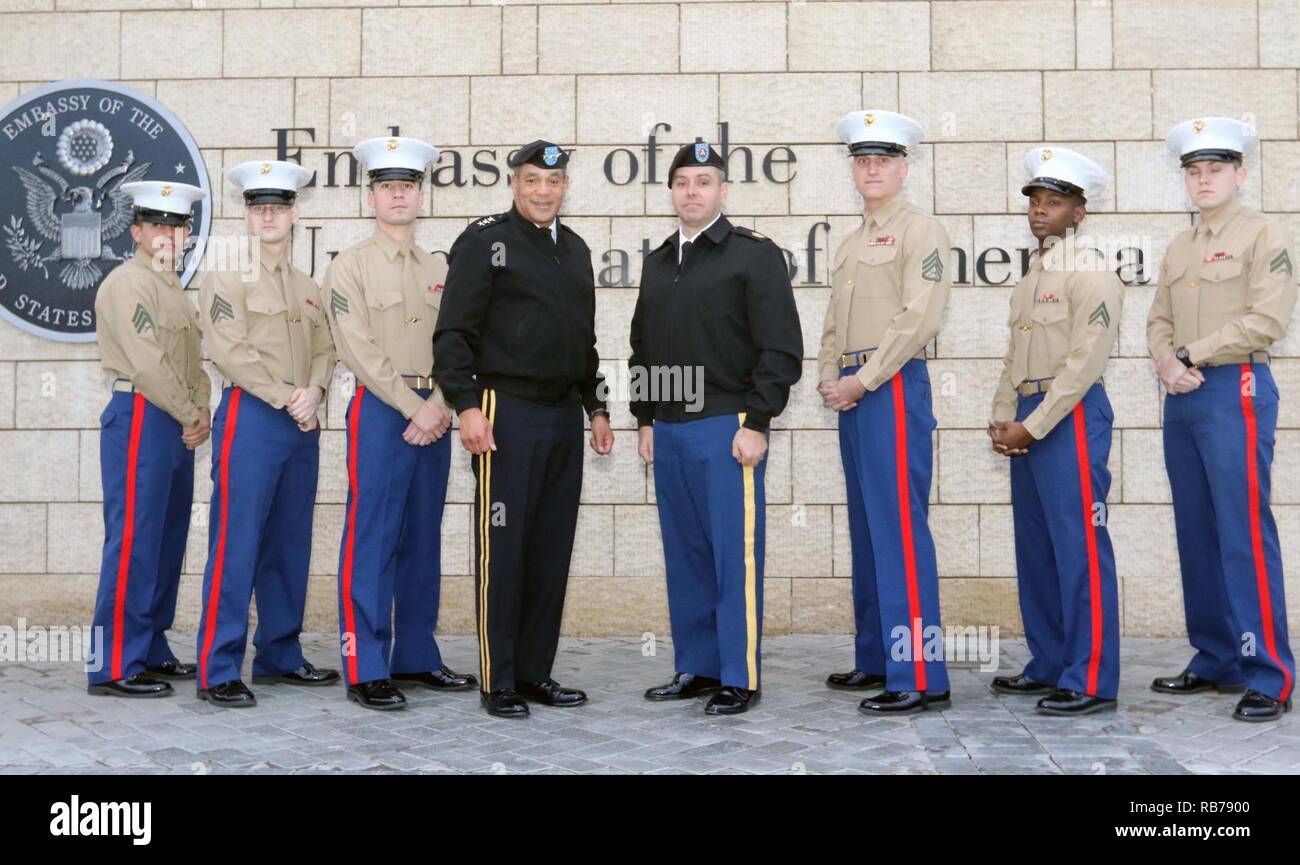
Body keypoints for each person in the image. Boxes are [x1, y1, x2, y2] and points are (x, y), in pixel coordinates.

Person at [434, 140, 614, 719]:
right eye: (532, 179)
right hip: (503, 410)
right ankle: (499, 678)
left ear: (565, 187)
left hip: (563, 415)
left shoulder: (577, 250)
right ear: (514, 183)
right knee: (503, 548)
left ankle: (537, 672)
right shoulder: (486, 241)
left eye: (553, 181)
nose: (543, 190)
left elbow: (583, 342)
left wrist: (597, 408)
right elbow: (453, 334)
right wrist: (465, 405)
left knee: (549, 548)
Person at [633, 140, 803, 716]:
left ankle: (740, 674)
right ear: (671, 191)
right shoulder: (659, 261)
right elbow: (642, 347)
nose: (691, 191)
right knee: (685, 555)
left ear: (723, 190)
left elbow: (781, 349)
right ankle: (697, 666)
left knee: (734, 556)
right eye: (682, 182)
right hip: (672, 428)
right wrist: (646, 417)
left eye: (703, 181)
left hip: (728, 428)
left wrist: (758, 421)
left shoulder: (754, 255)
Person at [1147, 117, 1296, 722]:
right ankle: (1215, 655)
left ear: (1240, 173)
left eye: (1215, 169)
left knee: (1242, 530)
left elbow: (1269, 319)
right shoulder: (1180, 246)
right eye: (1193, 170)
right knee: (1197, 529)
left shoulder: (1263, 234)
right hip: (1182, 394)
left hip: (1234, 386)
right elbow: (1158, 317)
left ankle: (1270, 672)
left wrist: (1191, 355)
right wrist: (1165, 360)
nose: (1203, 179)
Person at [324, 137, 476, 711]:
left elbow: (459, 340)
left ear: (420, 195)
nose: (398, 195)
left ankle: (415, 654)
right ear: (370, 197)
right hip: (383, 411)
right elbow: (355, 348)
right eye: (388, 186)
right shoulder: (349, 266)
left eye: (407, 185)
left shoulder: (441, 266)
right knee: (373, 537)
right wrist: (417, 408)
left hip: (433, 410)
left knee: (421, 536)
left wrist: (439, 400)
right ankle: (366, 664)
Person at [817, 110, 953, 715]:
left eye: (883, 161)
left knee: (898, 528)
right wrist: (828, 374)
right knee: (870, 529)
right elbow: (832, 321)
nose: (871, 170)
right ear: (853, 169)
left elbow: (919, 319)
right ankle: (877, 655)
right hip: (855, 388)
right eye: (862, 161)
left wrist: (863, 380)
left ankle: (919, 673)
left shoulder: (920, 231)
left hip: (891, 386)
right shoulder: (851, 240)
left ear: (903, 166)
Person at [194, 160, 340, 707]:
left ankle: (279, 653)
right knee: (237, 544)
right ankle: (218, 668)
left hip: (302, 422)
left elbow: (327, 348)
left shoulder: (306, 286)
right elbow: (229, 350)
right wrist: (289, 396)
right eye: (260, 208)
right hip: (253, 418)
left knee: (288, 542)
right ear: (247, 216)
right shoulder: (225, 276)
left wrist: (317, 393)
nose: (270, 216)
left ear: (295, 214)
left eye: (279, 207)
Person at [988, 147, 1122, 715]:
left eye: (1055, 202)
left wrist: (1035, 426)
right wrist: (1003, 417)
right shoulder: (1033, 275)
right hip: (1029, 418)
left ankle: (1090, 677)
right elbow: (1017, 355)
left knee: (1080, 548)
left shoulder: (1092, 272)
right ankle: (1048, 662)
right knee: (1038, 549)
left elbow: (1083, 365)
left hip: (1067, 417)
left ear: (1080, 212)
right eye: (1036, 202)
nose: (1040, 212)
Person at [87, 180, 209, 698]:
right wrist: (189, 414)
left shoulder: (173, 290)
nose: (167, 234)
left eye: (175, 225)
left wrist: (202, 408)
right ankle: (113, 662)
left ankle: (150, 642)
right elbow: (148, 364)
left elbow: (192, 363)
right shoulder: (127, 284)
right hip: (141, 414)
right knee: (135, 538)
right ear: (136, 231)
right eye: (156, 224)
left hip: (172, 420)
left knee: (165, 536)